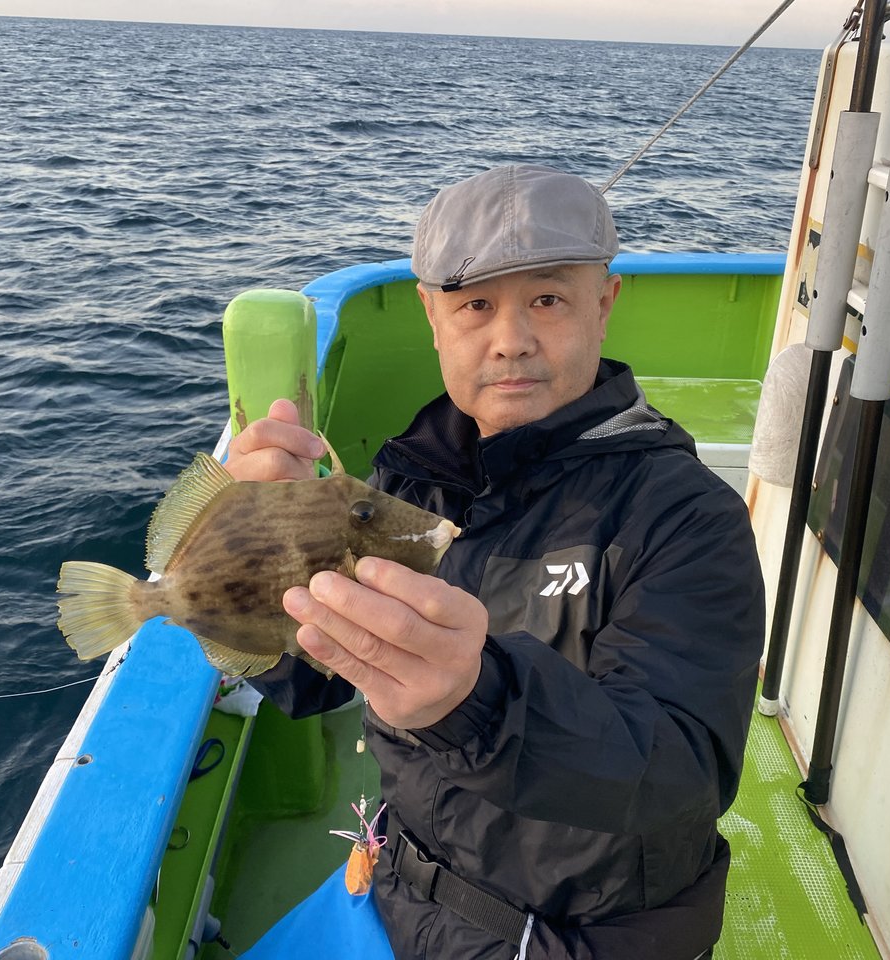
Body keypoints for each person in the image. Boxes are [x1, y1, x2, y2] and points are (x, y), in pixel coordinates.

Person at [225, 163, 765, 960]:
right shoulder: (411, 478)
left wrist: (477, 702)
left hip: (573, 941)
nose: (510, 339)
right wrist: (258, 563)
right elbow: (310, 681)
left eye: (547, 299)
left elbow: (680, 772)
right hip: (396, 885)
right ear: (432, 316)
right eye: (475, 305)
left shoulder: (686, 516)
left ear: (604, 305)